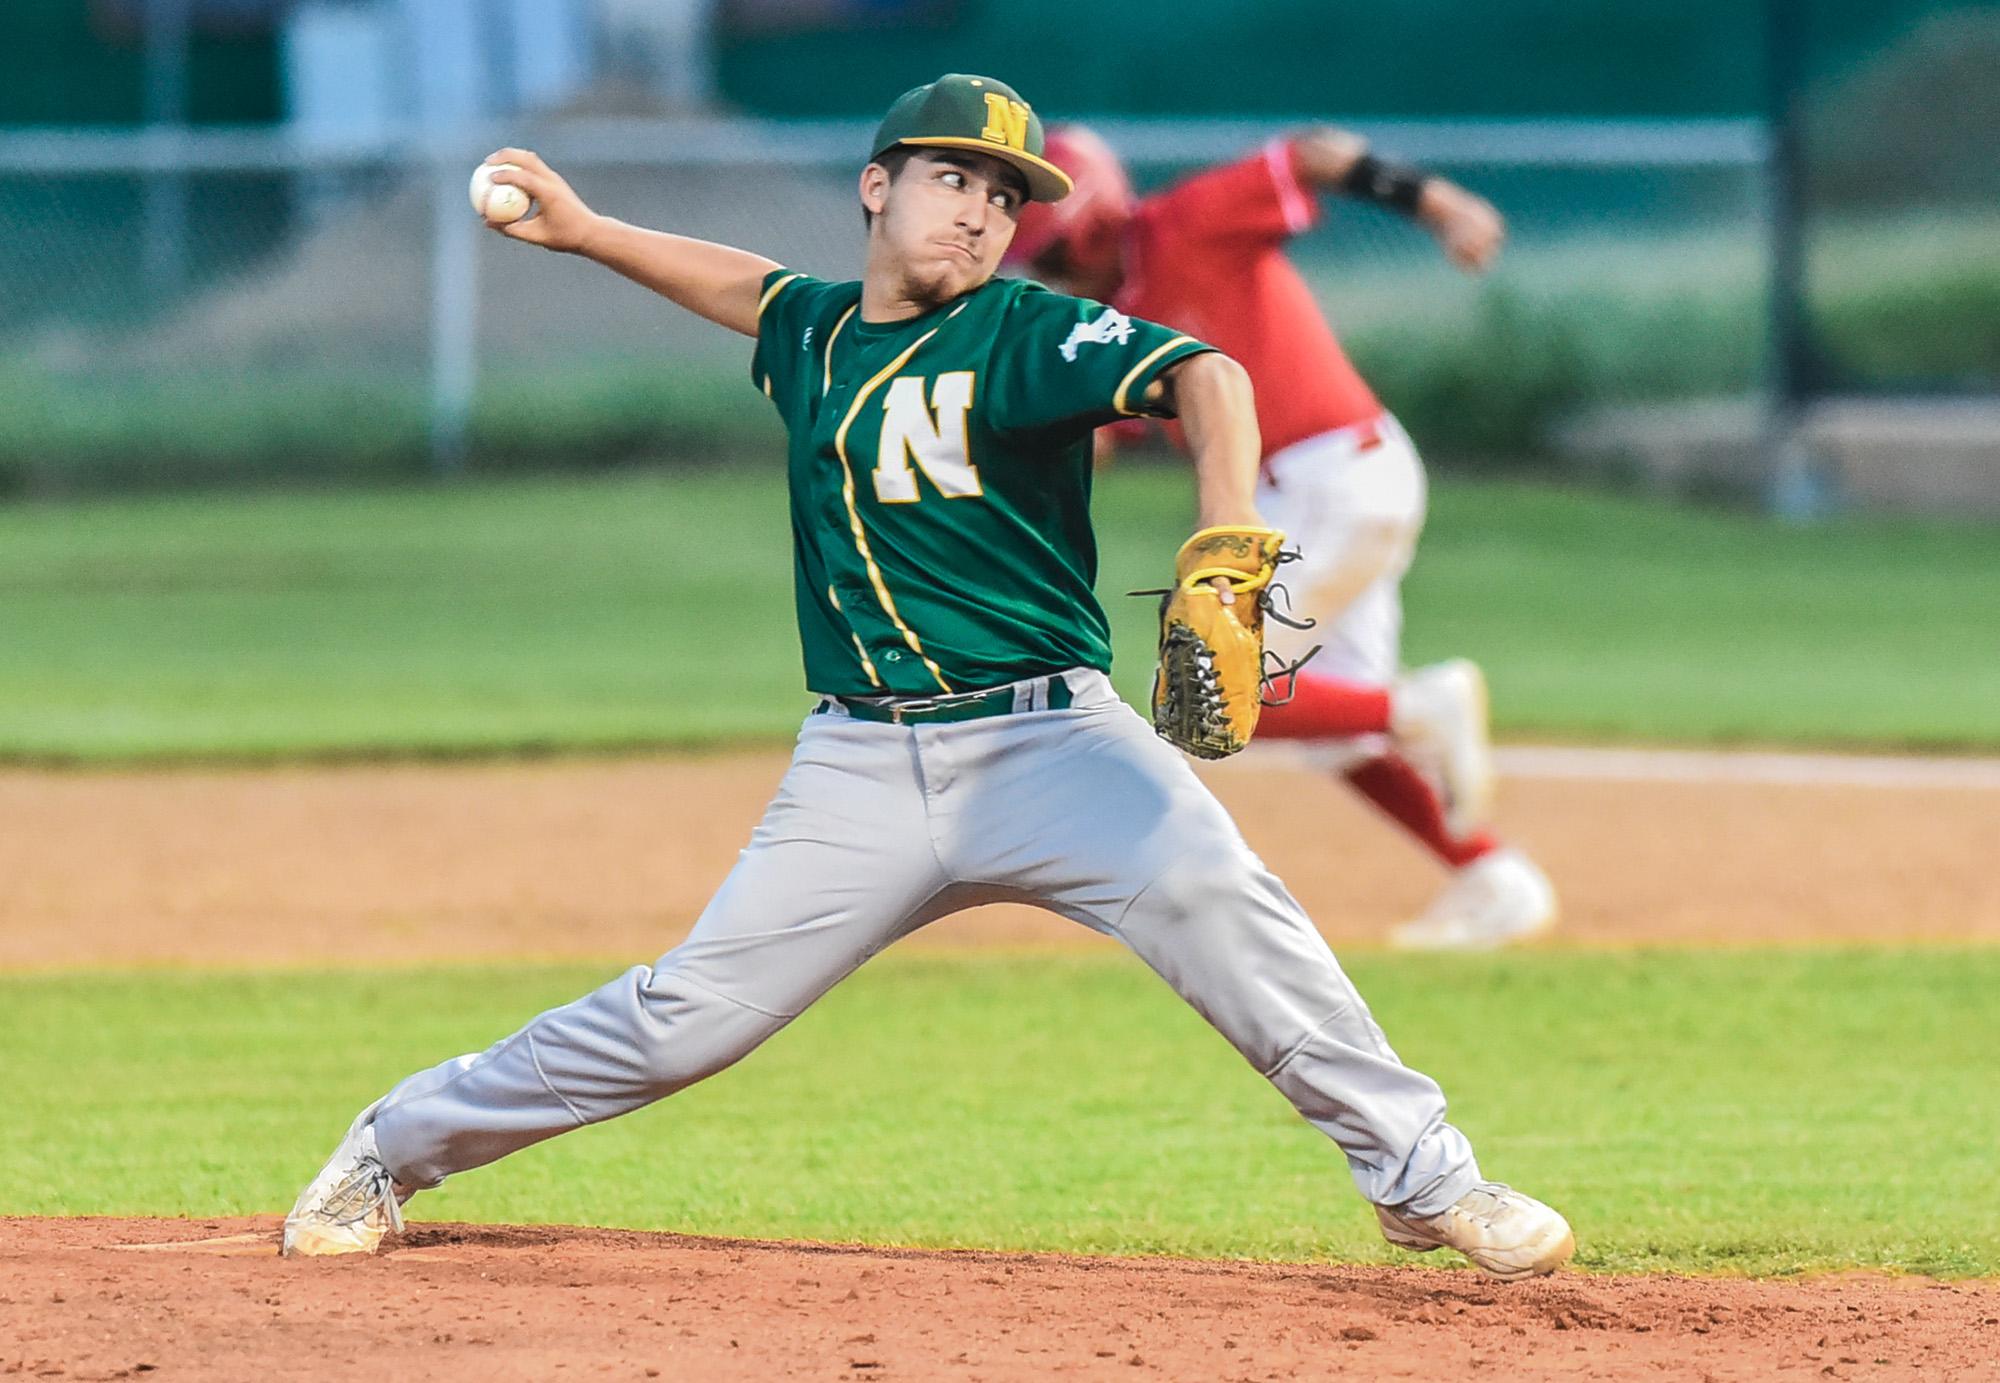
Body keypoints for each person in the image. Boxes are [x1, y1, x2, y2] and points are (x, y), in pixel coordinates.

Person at [282, 74, 1574, 1281]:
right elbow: (750, 288)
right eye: (958, 177)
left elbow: (1209, 374)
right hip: (858, 767)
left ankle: (1423, 1176)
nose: (986, 212)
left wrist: (1224, 547)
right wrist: (586, 230)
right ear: (876, 187)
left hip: (1055, 744)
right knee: (682, 1018)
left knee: (1230, 905)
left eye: (1008, 196)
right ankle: (392, 1145)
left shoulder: (1025, 331)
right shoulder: (816, 333)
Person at [1005, 126, 1558, 951]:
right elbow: (1102, 433)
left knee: (1208, 688)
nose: (1057, 273)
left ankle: (1421, 704)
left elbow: (1310, 152)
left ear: (1097, 221)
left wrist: (1438, 203)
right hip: (1316, 491)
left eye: (1059, 253)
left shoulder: (1183, 223)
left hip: (1330, 475)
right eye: (1045, 262)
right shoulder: (1116, 318)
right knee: (1334, 734)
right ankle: (1495, 878)